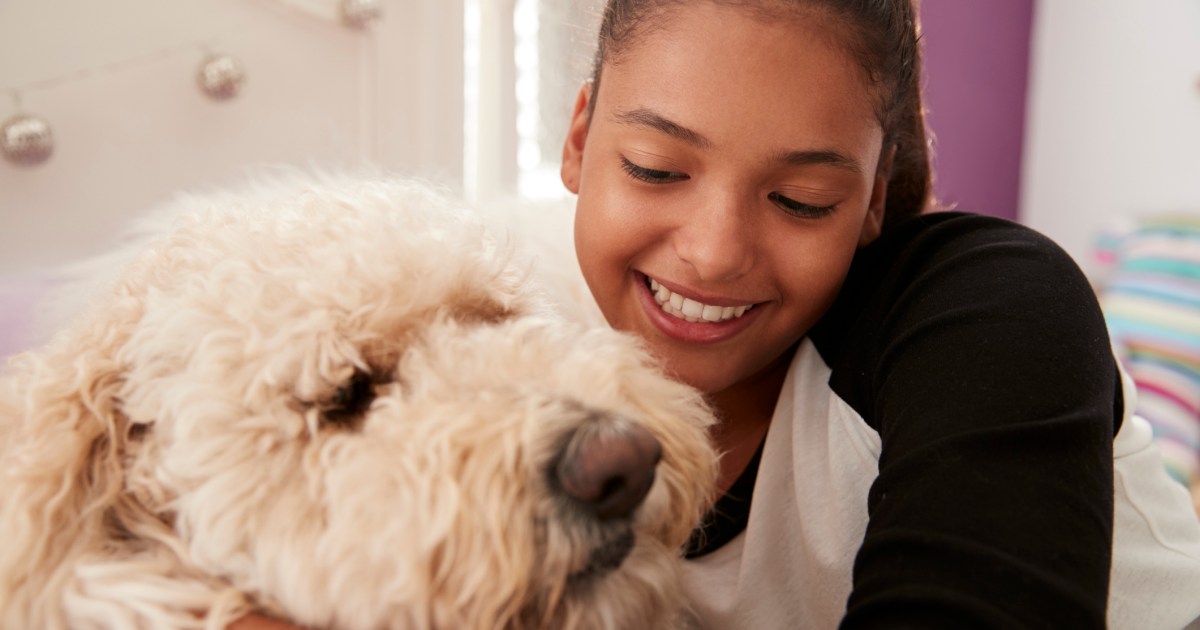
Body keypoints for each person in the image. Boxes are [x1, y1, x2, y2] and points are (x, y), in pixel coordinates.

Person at [237, 0, 1200, 628]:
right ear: (578, 140)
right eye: (656, 170)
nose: (712, 250)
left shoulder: (995, 311)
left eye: (801, 201)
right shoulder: (499, 322)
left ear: (871, 200)